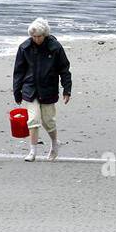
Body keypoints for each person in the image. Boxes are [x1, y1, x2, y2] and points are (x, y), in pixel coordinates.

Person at [12, 18, 72, 161]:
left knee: (48, 121)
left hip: (48, 88)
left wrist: (67, 90)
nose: (36, 39)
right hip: (30, 88)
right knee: (33, 120)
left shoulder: (55, 47)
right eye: (34, 36)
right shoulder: (24, 47)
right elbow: (18, 71)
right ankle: (32, 151)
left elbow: (64, 69)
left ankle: (54, 144)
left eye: (39, 36)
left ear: (45, 35)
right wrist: (17, 91)